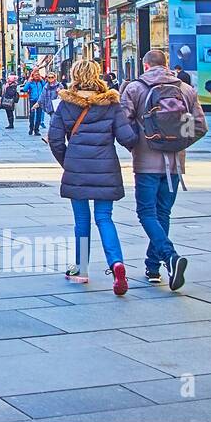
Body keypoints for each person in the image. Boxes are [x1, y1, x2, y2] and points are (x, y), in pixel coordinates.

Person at [48, 59, 139, 295]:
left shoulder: (66, 103)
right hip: (105, 167)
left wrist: (67, 161)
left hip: (77, 167)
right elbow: (127, 138)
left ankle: (82, 269)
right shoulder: (110, 103)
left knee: (81, 221)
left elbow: (55, 139)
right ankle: (117, 263)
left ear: (74, 75)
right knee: (104, 218)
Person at [120, 49, 207, 291]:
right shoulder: (185, 89)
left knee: (146, 213)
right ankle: (153, 267)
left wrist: (135, 145)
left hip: (146, 163)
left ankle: (170, 257)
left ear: (145, 66)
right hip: (175, 164)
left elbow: (123, 124)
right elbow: (199, 125)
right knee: (163, 214)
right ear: (166, 64)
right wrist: (179, 141)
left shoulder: (136, 88)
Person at [25, 71, 47, 136]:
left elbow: (45, 87)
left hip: (40, 101)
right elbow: (25, 89)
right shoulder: (30, 82)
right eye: (35, 75)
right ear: (32, 76)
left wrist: (42, 80)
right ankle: (31, 128)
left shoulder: (41, 82)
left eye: (38, 75)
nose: (37, 76)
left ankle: (36, 130)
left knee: (39, 115)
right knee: (32, 115)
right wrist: (29, 82)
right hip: (32, 100)